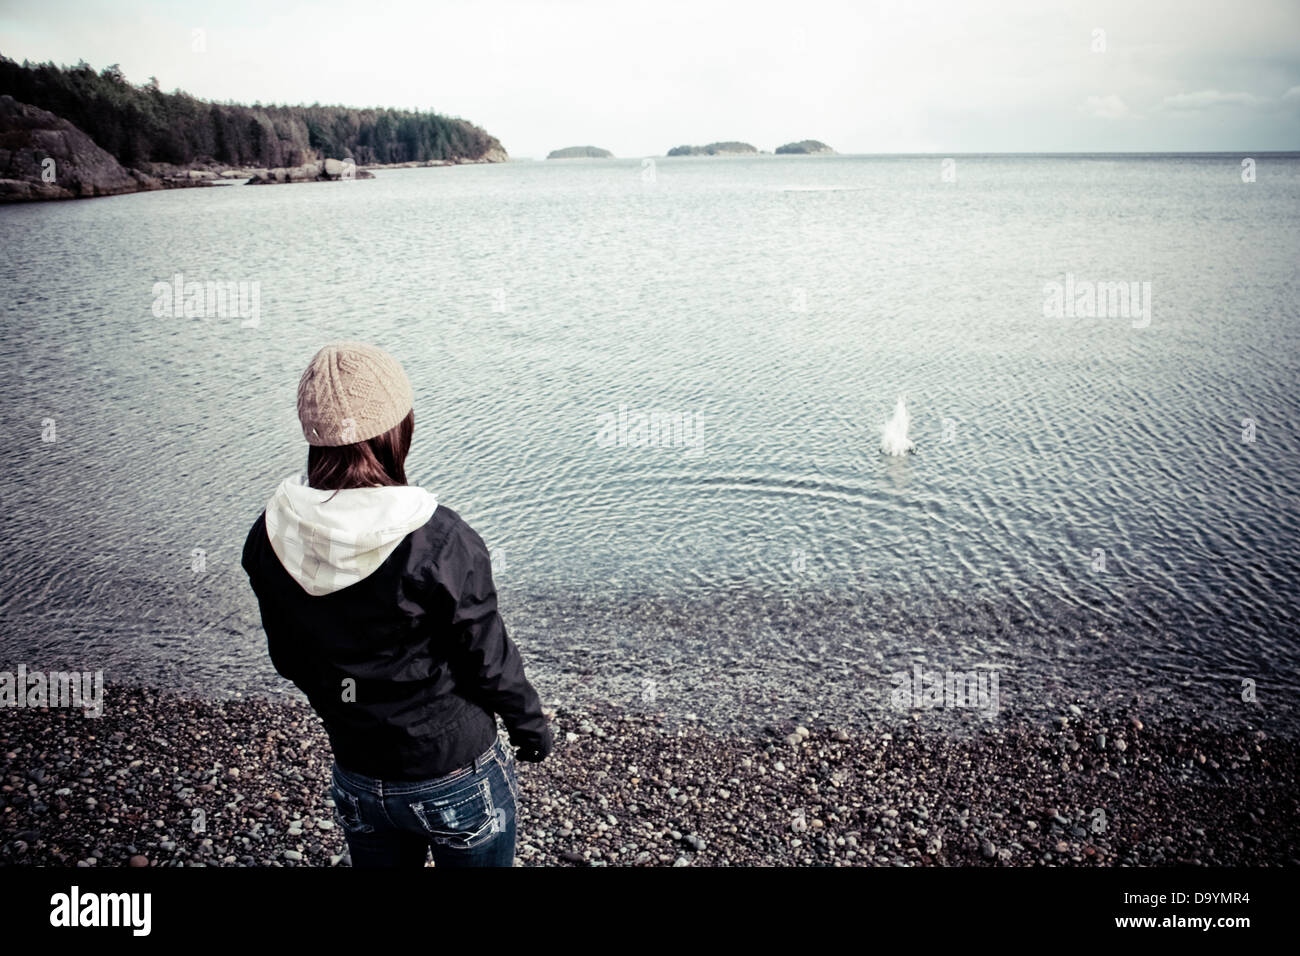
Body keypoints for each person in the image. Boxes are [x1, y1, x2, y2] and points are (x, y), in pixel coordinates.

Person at [241, 341, 551, 867]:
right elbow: (487, 658)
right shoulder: (438, 537)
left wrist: (352, 712)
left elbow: (290, 659)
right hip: (454, 769)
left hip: (359, 770)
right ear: (397, 428)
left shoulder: (271, 535)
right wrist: (530, 727)